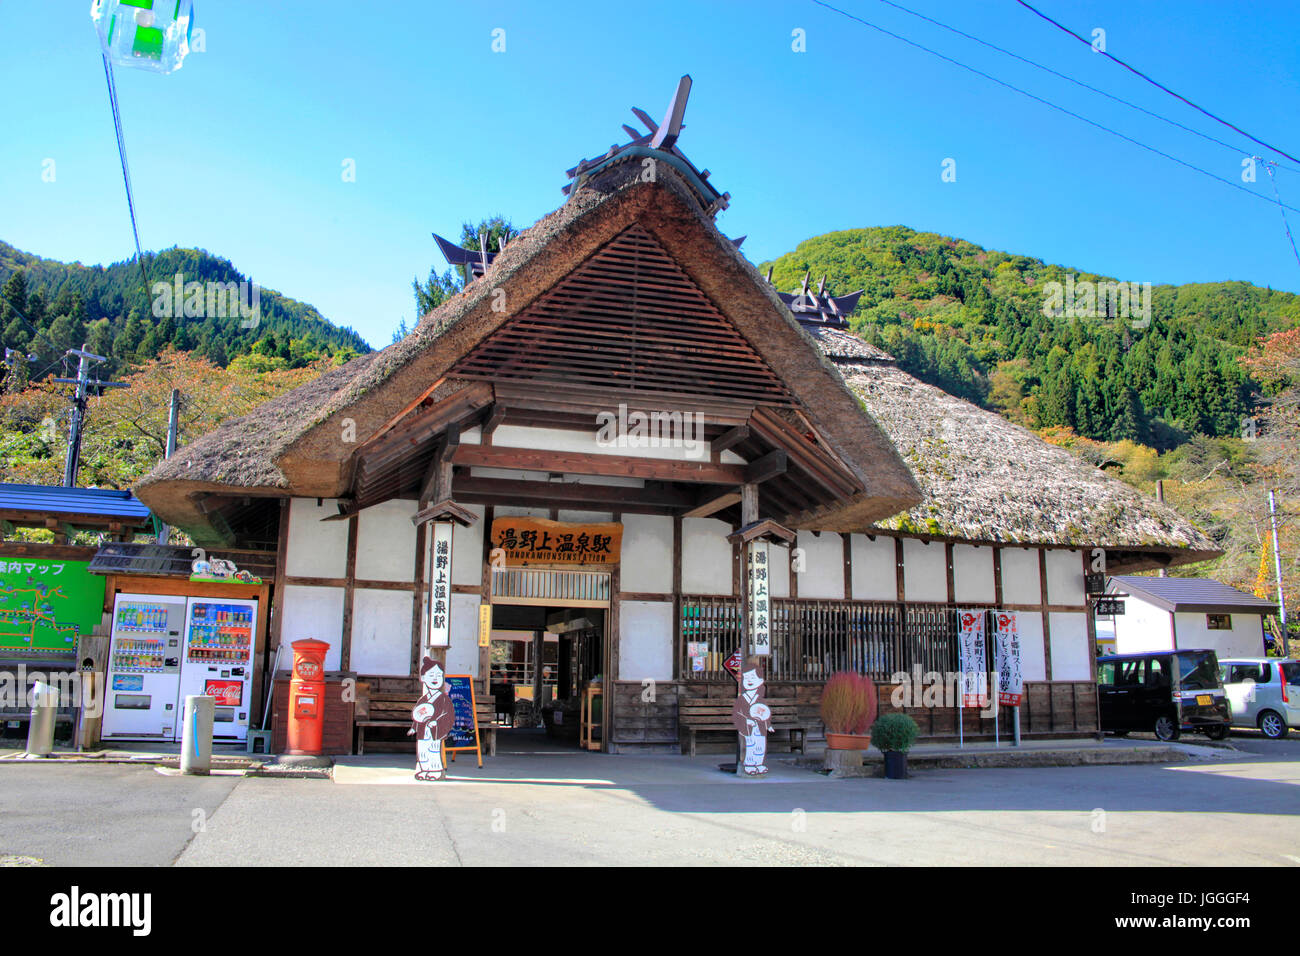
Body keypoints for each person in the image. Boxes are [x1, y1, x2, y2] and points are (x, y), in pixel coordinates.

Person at [409, 657, 456, 781]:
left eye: (439, 676)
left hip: (434, 731)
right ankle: (423, 769)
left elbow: (448, 715)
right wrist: (414, 727)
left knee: (433, 750)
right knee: (422, 751)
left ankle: (434, 771)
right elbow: (418, 715)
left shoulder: (444, 699)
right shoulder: (423, 699)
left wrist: (437, 722)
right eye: (431, 675)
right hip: (422, 731)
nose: (435, 679)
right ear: (423, 678)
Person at [732, 658, 773, 776]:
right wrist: (745, 721)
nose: (749, 681)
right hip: (748, 727)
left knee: (760, 745)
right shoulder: (742, 698)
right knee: (750, 745)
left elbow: (765, 713)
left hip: (759, 727)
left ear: (760, 681)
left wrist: (768, 725)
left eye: (753, 678)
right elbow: (737, 713)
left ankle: (758, 764)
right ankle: (749, 764)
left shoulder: (759, 699)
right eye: (747, 678)